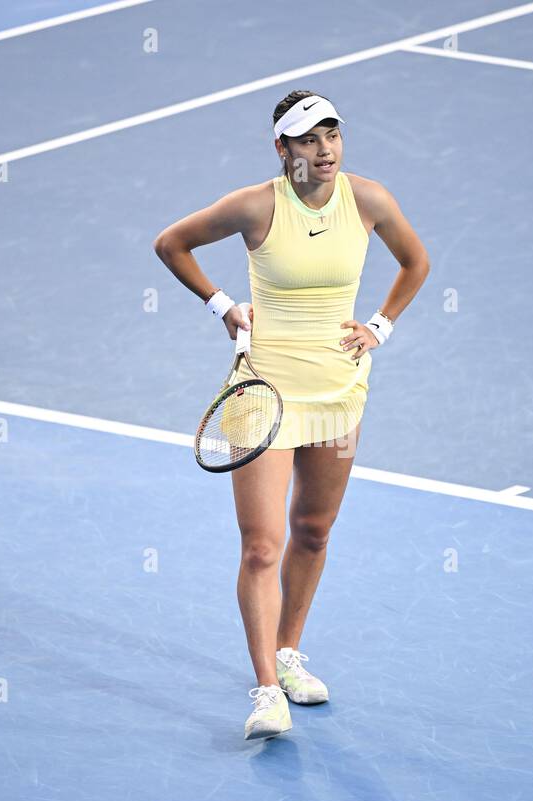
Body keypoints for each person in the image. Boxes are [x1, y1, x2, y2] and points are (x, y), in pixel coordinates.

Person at [153, 90, 430, 740]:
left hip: (338, 394)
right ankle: (266, 691)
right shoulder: (254, 207)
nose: (325, 149)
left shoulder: (368, 201)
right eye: (308, 139)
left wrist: (381, 328)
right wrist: (223, 305)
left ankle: (288, 651)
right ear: (283, 149)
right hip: (263, 396)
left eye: (332, 134)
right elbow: (172, 244)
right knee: (261, 546)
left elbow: (416, 263)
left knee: (312, 532)